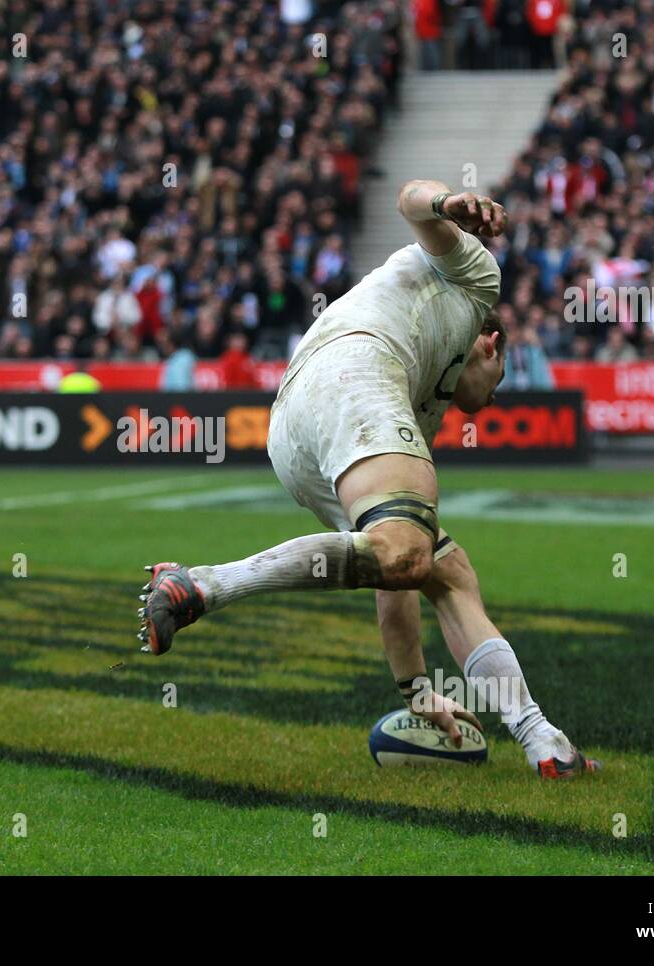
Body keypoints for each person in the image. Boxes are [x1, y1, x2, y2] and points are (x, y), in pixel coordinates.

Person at [138, 180, 601, 779]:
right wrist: (447, 205)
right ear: (493, 342)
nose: (487, 400)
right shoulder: (478, 279)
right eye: (499, 379)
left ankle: (544, 743)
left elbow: (395, 584)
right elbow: (410, 199)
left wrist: (415, 690)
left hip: (296, 430)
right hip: (357, 368)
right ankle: (202, 585)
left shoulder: (420, 412)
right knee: (406, 551)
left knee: (437, 569)